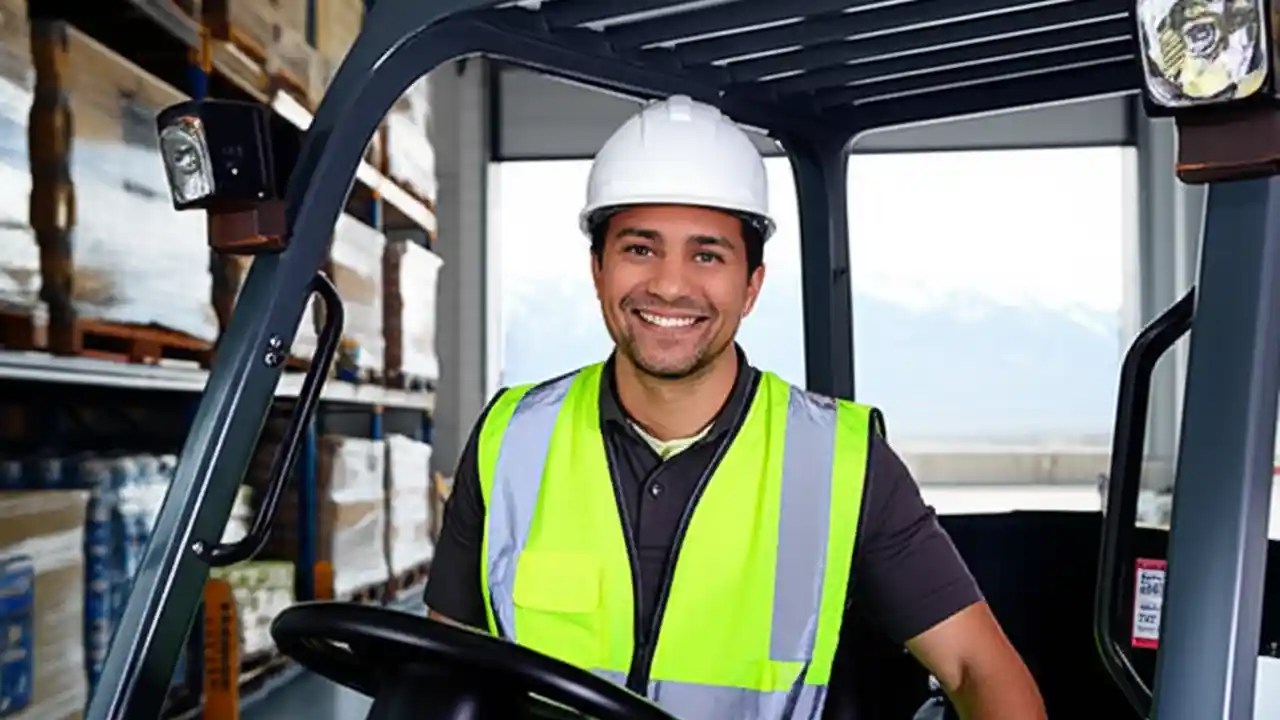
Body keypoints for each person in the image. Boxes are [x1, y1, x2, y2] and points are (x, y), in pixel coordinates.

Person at [423, 94, 1045, 720]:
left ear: (751, 285)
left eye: (707, 255)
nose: (669, 284)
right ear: (598, 269)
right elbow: (438, 671)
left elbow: (977, 670)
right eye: (640, 248)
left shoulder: (842, 465)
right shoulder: (512, 440)